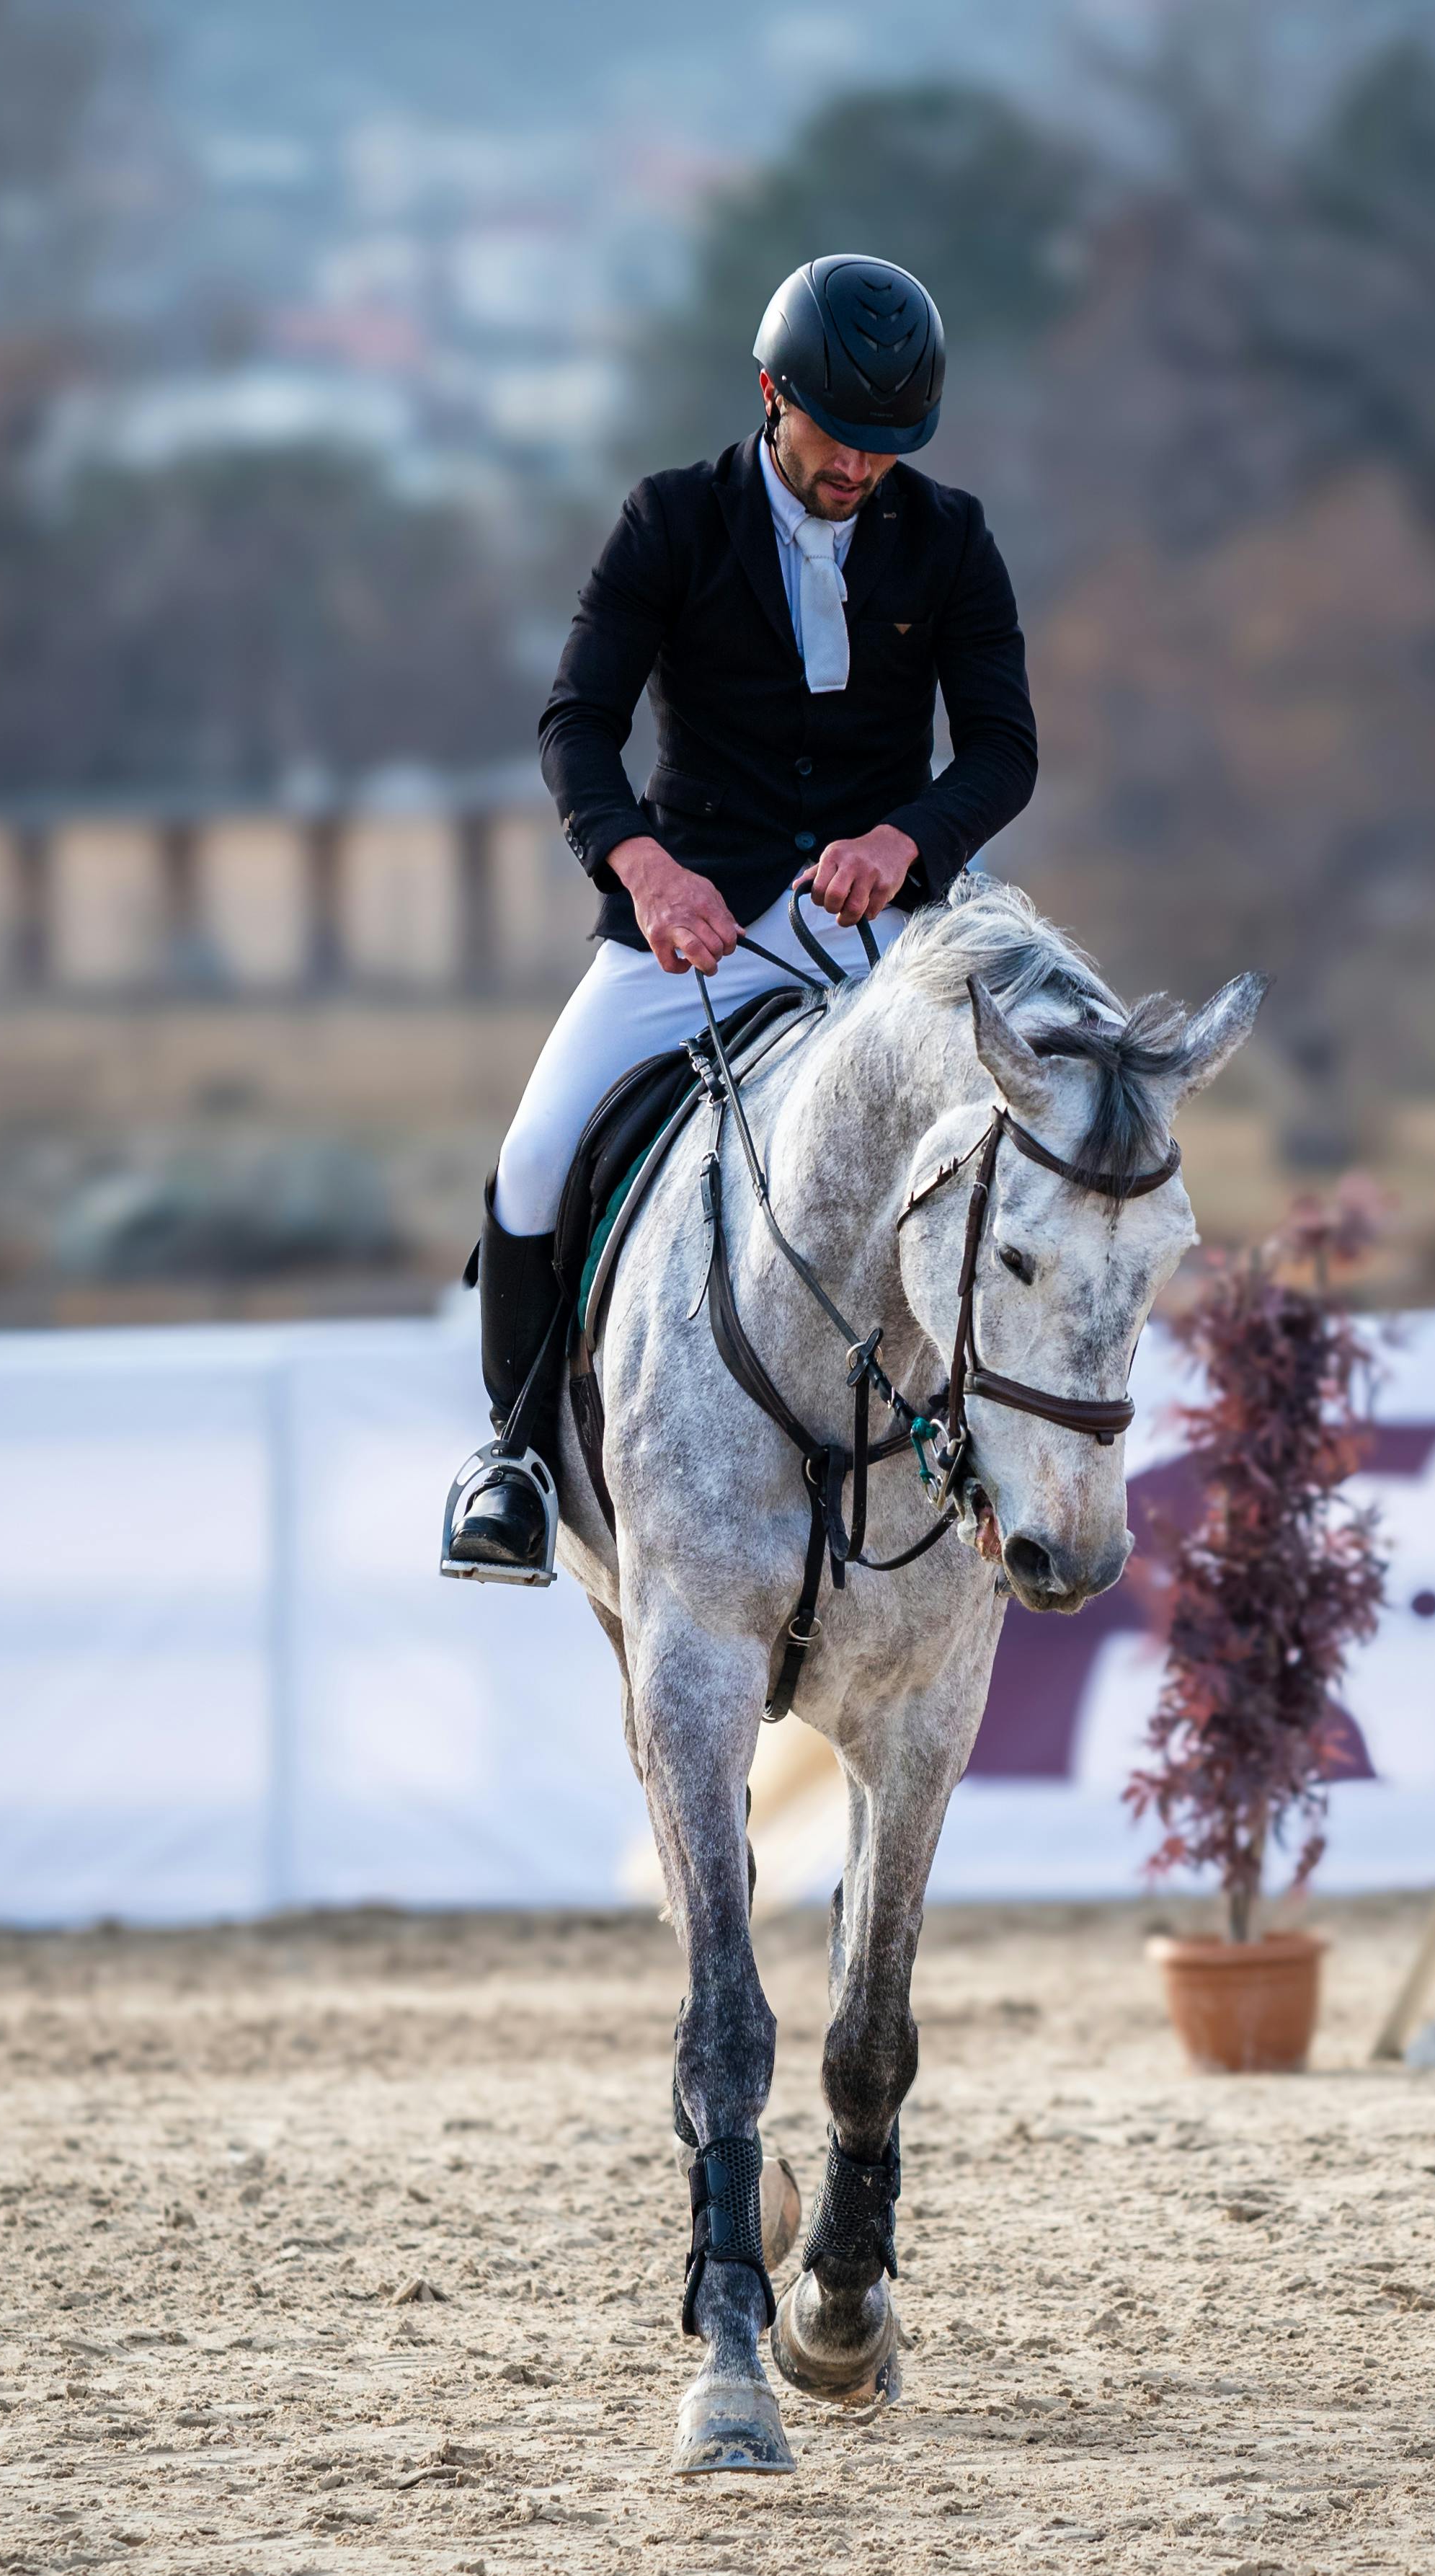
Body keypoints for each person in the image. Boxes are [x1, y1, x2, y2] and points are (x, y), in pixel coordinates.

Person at [440, 252, 1039, 1582]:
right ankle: (516, 1459)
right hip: (692, 921)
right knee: (534, 1159)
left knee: (1015, 1144)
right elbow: (576, 724)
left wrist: (906, 840)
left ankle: (1002, 1447)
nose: (860, 467)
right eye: (838, 436)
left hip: (876, 928)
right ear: (772, 395)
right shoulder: (671, 520)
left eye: (888, 445)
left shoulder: (950, 537)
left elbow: (1003, 749)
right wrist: (645, 871)